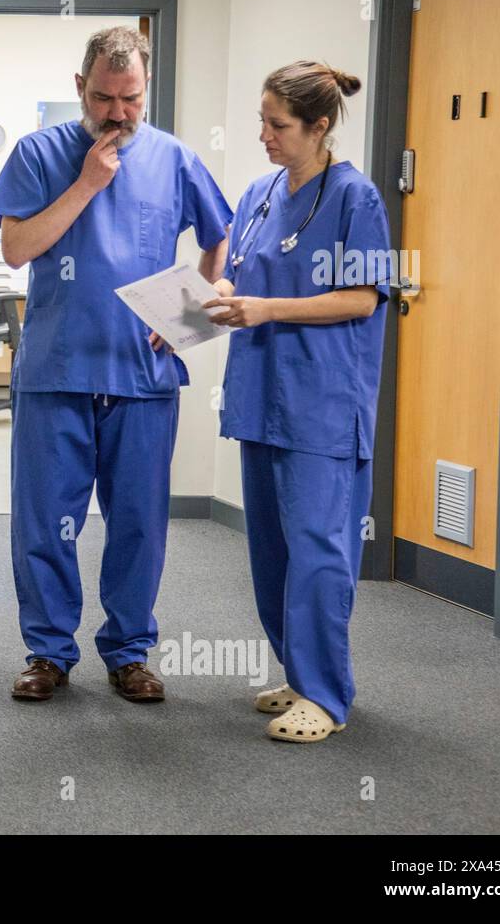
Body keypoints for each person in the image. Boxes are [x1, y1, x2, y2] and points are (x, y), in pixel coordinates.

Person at [0, 26, 232, 703]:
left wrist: (190, 321)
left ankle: (128, 651)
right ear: (79, 89)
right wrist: (88, 184)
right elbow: (16, 249)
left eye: (131, 99)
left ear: (145, 89)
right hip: (57, 371)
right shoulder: (40, 154)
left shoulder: (175, 160)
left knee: (139, 522)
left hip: (141, 378)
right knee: (44, 521)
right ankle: (48, 653)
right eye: (103, 98)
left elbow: (220, 239)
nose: (118, 113)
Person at [196, 61, 391, 742]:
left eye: (277, 125)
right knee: (272, 549)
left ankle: (328, 697)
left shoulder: (355, 198)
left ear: (320, 125)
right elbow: (236, 277)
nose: (264, 135)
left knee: (319, 548)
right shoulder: (258, 191)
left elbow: (361, 299)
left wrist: (266, 308)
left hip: (321, 401)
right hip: (260, 393)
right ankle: (298, 672)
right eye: (261, 121)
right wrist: (205, 305)